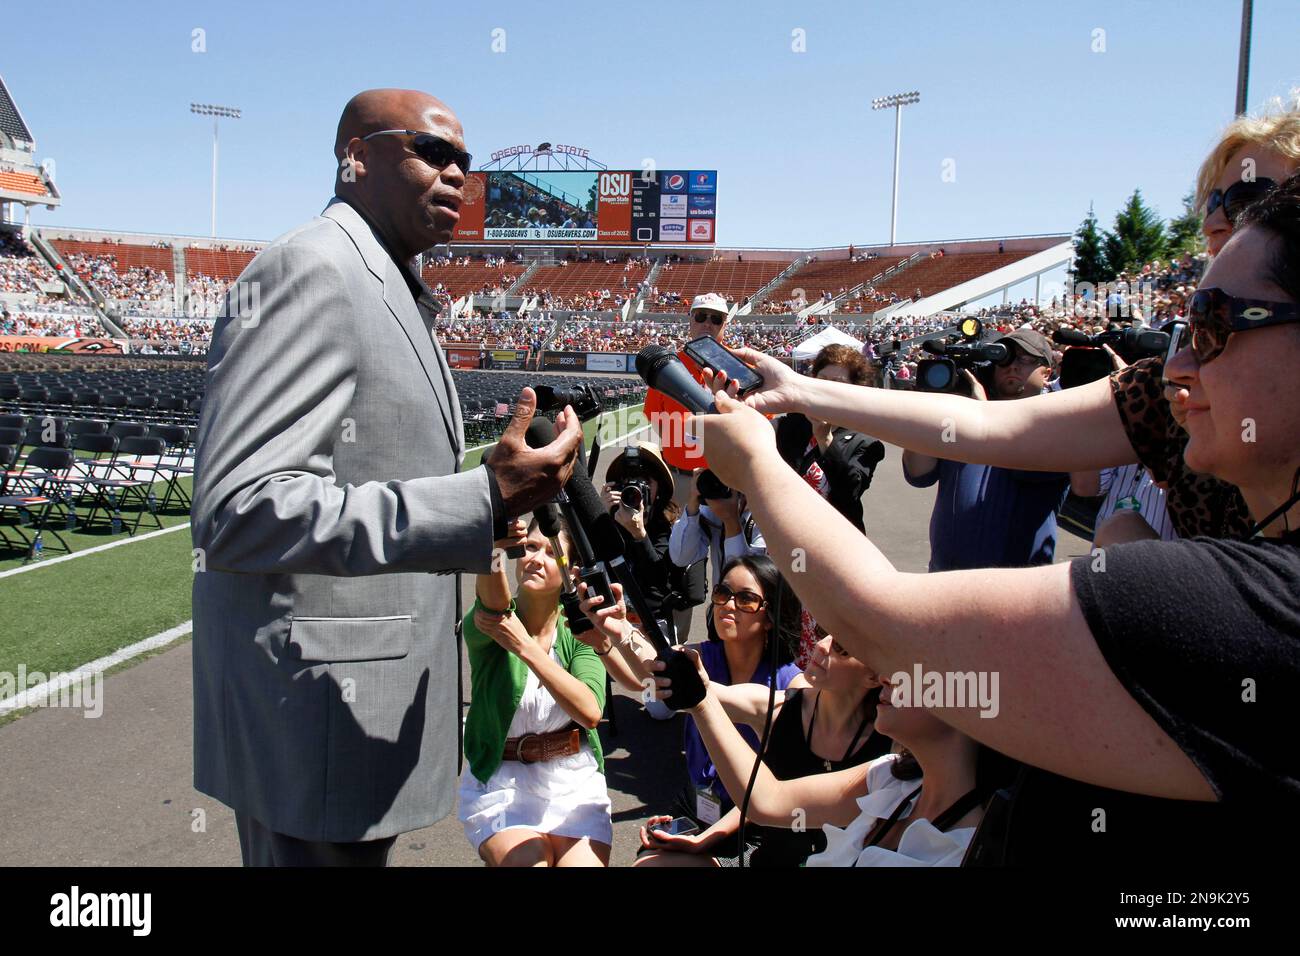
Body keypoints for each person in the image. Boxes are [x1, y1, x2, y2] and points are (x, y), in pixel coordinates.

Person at [688, 171, 1300, 864]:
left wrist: (757, 468)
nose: (1176, 366)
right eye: (1185, 327)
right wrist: (804, 392)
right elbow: (987, 429)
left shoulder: (1254, 604)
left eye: (1216, 327)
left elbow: (882, 618)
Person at [190, 89, 580, 867]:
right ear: (356, 157)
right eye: (429, 152)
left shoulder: (388, 279)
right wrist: (477, 499)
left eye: (464, 162)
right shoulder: (313, 267)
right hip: (315, 711)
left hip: (355, 705)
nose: (456, 175)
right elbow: (239, 507)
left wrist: (496, 508)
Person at [657, 660, 1011, 867]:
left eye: (909, 664)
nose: (887, 675)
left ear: (963, 699)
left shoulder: (975, 845)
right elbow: (768, 801)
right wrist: (701, 703)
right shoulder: (890, 779)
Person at [627, 626, 890, 867]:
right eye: (823, 632)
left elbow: (770, 799)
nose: (822, 645)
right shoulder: (777, 708)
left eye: (841, 647)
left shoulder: (894, 747)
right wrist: (621, 632)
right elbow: (680, 685)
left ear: (874, 677)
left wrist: (702, 701)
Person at [458, 516, 612, 866]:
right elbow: (494, 603)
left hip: (573, 779)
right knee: (531, 861)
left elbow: (589, 711)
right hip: (502, 781)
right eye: (529, 547)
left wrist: (526, 648)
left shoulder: (579, 631)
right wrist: (496, 545)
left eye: (549, 551)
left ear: (572, 573)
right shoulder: (492, 623)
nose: (535, 558)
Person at [901, 329, 1070, 572]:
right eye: (1004, 360)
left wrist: (984, 418)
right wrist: (931, 409)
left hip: (1020, 586)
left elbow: (1028, 471)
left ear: (1047, 373)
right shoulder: (963, 419)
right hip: (947, 579)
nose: (1012, 367)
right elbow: (918, 473)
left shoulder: (1057, 425)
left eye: (1025, 360)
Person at [644, 290, 732, 641]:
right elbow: (656, 418)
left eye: (716, 318)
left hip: (725, 479)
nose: (708, 324)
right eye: (701, 316)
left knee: (731, 568)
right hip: (681, 481)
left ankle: (724, 647)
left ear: (726, 325)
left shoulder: (736, 365)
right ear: (690, 319)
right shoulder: (670, 365)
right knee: (683, 570)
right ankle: (678, 651)